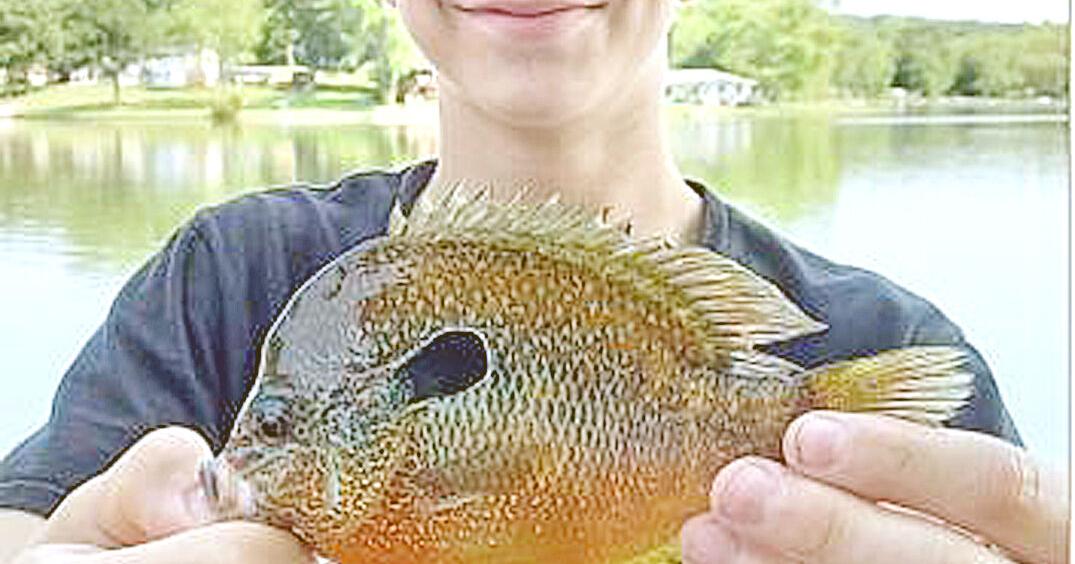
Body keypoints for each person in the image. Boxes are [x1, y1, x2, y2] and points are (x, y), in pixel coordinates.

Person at [0, 2, 1067, 563]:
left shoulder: (877, 352)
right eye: (268, 426)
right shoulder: (227, 282)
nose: (246, 454)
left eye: (275, 426)